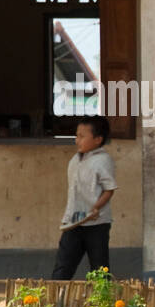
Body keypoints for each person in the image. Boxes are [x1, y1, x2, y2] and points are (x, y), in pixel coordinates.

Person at [52, 116, 116, 279]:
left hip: (96, 223)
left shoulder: (103, 160)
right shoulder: (75, 159)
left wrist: (96, 207)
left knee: (99, 269)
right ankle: (56, 303)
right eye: (77, 135)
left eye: (82, 136)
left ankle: (103, 303)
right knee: (63, 266)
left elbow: (109, 189)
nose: (77, 140)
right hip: (73, 221)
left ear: (97, 139)